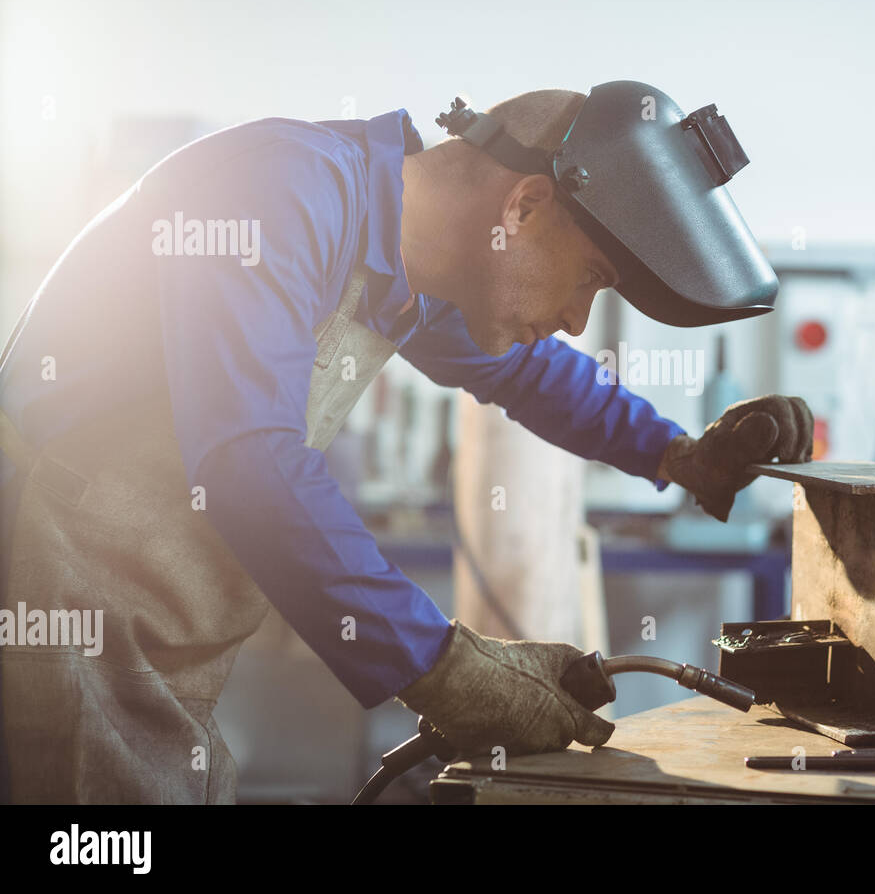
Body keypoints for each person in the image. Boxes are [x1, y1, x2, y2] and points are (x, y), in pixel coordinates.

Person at [0, 82, 813, 803]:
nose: (577, 319)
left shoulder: (403, 266)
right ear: (522, 208)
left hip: (152, 643)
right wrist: (442, 667)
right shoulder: (279, 192)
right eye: (592, 276)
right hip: (56, 598)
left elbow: (529, 372)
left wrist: (678, 456)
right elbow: (252, 464)